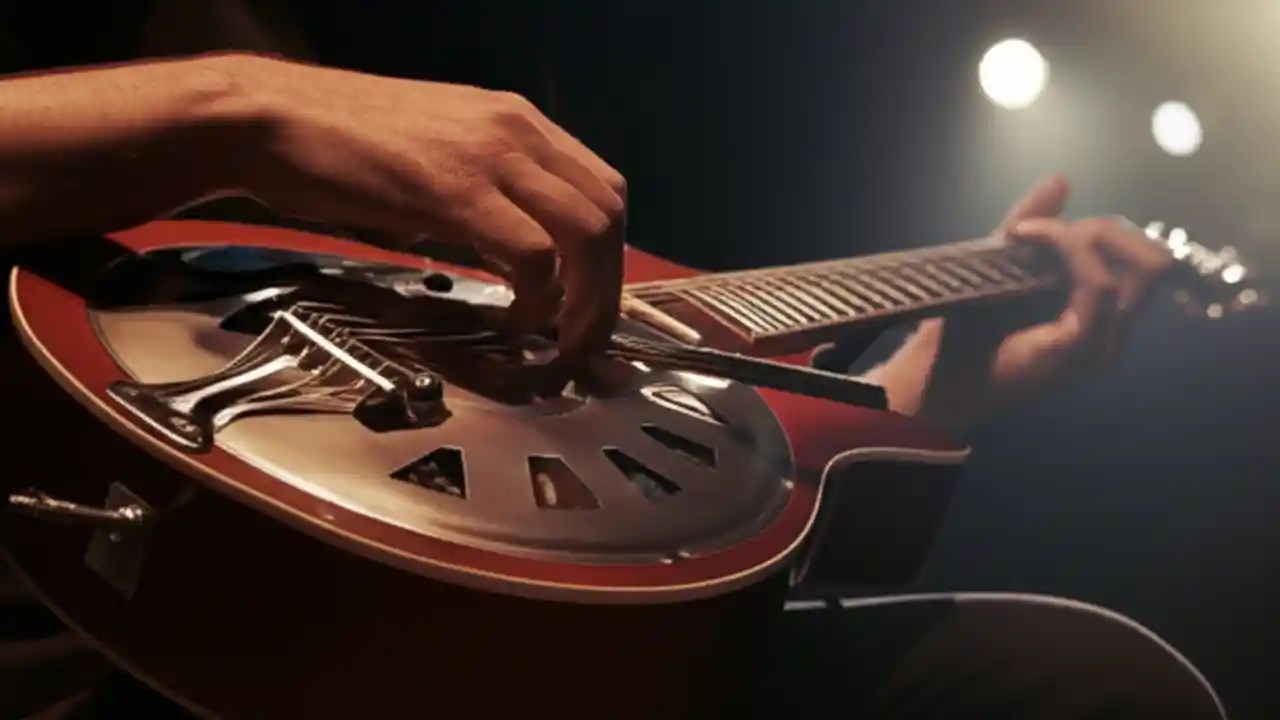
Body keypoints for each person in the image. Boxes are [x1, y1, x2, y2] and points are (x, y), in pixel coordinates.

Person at [0, 5, 1227, 719]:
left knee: (1078, 687)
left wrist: (935, 378)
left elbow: (579, 427)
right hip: (92, 602)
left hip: (474, 638)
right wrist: (239, 107)